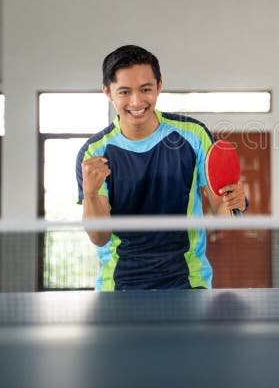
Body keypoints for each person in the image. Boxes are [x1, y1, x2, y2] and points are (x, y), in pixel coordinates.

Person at [76, 44, 247, 291]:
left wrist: (234, 204)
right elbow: (99, 238)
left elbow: (221, 215)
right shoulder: (94, 153)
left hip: (187, 283)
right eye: (124, 92)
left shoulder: (193, 135)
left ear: (159, 86)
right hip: (120, 286)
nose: (136, 101)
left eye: (146, 89)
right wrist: (91, 194)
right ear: (107, 91)